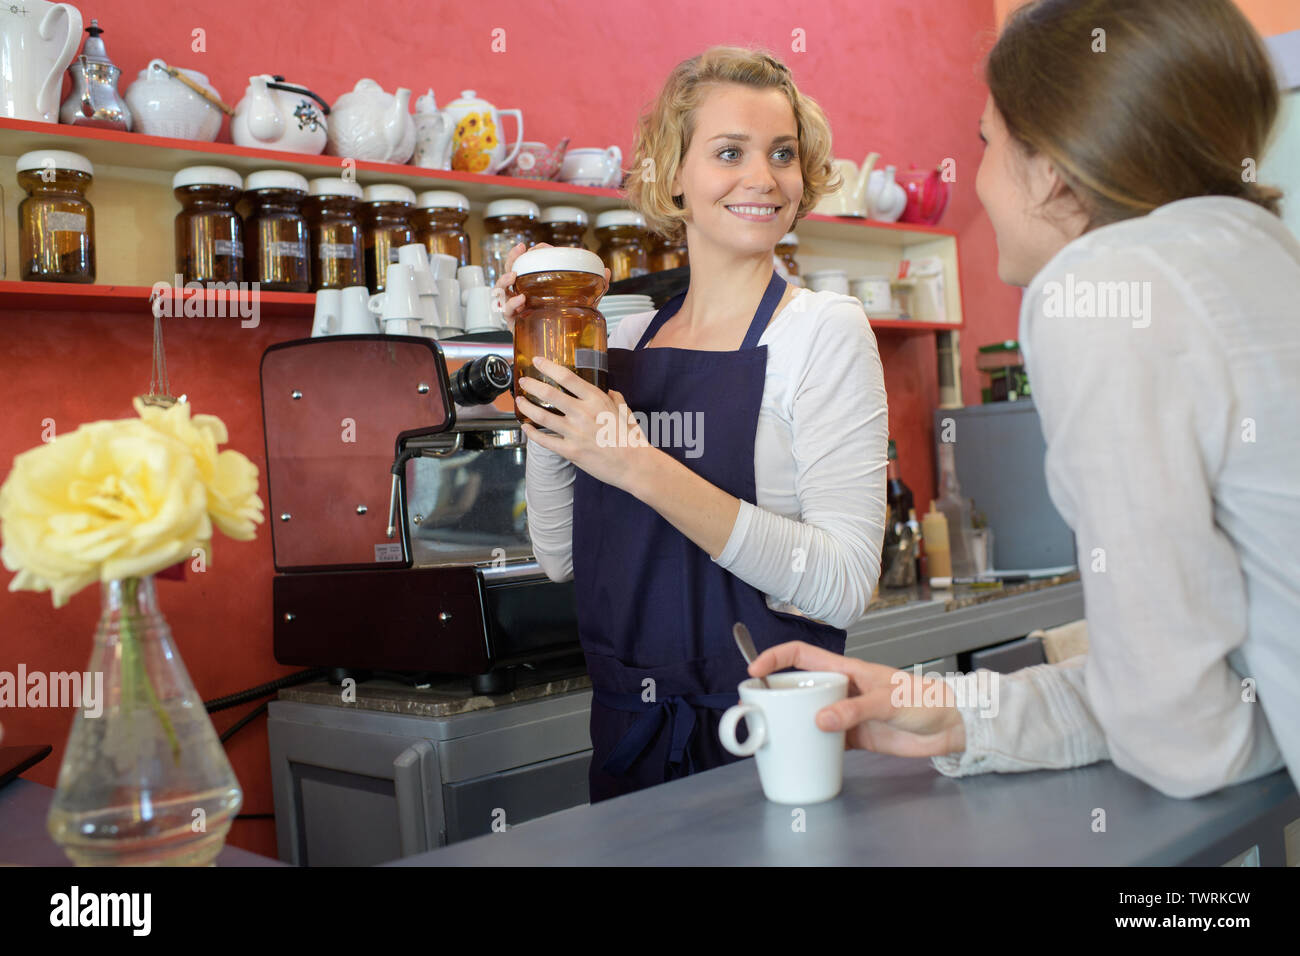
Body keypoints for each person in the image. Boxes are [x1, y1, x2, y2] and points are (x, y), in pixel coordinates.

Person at [752, 0, 1300, 799]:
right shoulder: (1261, 256)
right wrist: (956, 709)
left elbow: (1185, 738)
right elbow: (1199, 696)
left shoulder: (1099, 283)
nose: (977, 181)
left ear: (1050, 167)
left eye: (986, 142)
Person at [498, 47, 888, 802]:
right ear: (673, 174)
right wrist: (541, 370)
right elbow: (557, 558)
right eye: (729, 152)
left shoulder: (822, 330)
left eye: (783, 154)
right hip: (627, 741)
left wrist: (635, 462)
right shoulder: (626, 338)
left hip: (769, 742)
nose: (763, 178)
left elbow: (843, 584)